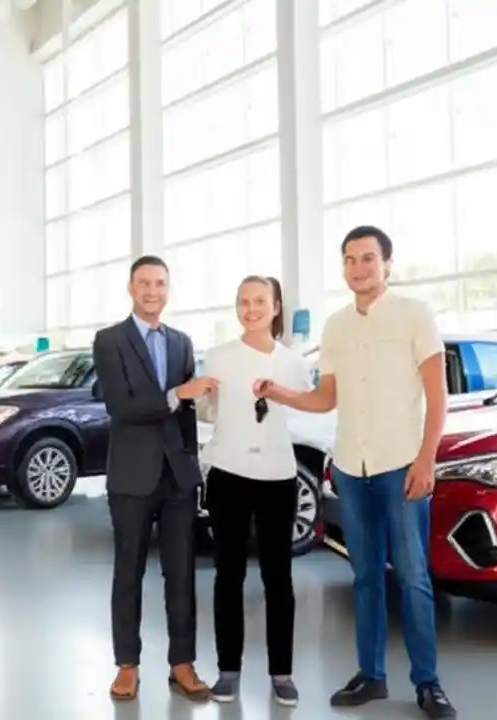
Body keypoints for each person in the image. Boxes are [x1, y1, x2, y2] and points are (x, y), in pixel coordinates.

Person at [252, 226, 457, 719]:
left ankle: (428, 682)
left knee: (412, 578)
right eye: (350, 260)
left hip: (401, 464)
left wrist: (427, 458)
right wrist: (281, 394)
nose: (358, 268)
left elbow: (437, 395)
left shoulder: (415, 315)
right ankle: (371, 676)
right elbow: (327, 397)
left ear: (387, 264)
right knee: (365, 576)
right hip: (350, 466)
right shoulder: (337, 326)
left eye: (368, 259)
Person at [92, 254, 217, 703]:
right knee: (128, 572)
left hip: (178, 477)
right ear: (130, 288)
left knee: (181, 573)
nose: (152, 291)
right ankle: (127, 665)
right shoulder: (110, 341)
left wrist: (192, 466)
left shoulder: (182, 342)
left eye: (160, 284)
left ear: (168, 289)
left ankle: (182, 662)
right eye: (144, 283)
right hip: (130, 476)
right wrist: (176, 393)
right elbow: (121, 407)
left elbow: (185, 415)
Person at [194, 276, 312, 707]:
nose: (251, 309)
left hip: (278, 475)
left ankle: (282, 672)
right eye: (243, 301)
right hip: (228, 472)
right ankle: (228, 671)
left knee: (278, 577)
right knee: (228, 575)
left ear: (276, 306)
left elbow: (306, 408)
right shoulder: (219, 357)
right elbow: (208, 411)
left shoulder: (294, 363)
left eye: (260, 301)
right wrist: (203, 398)